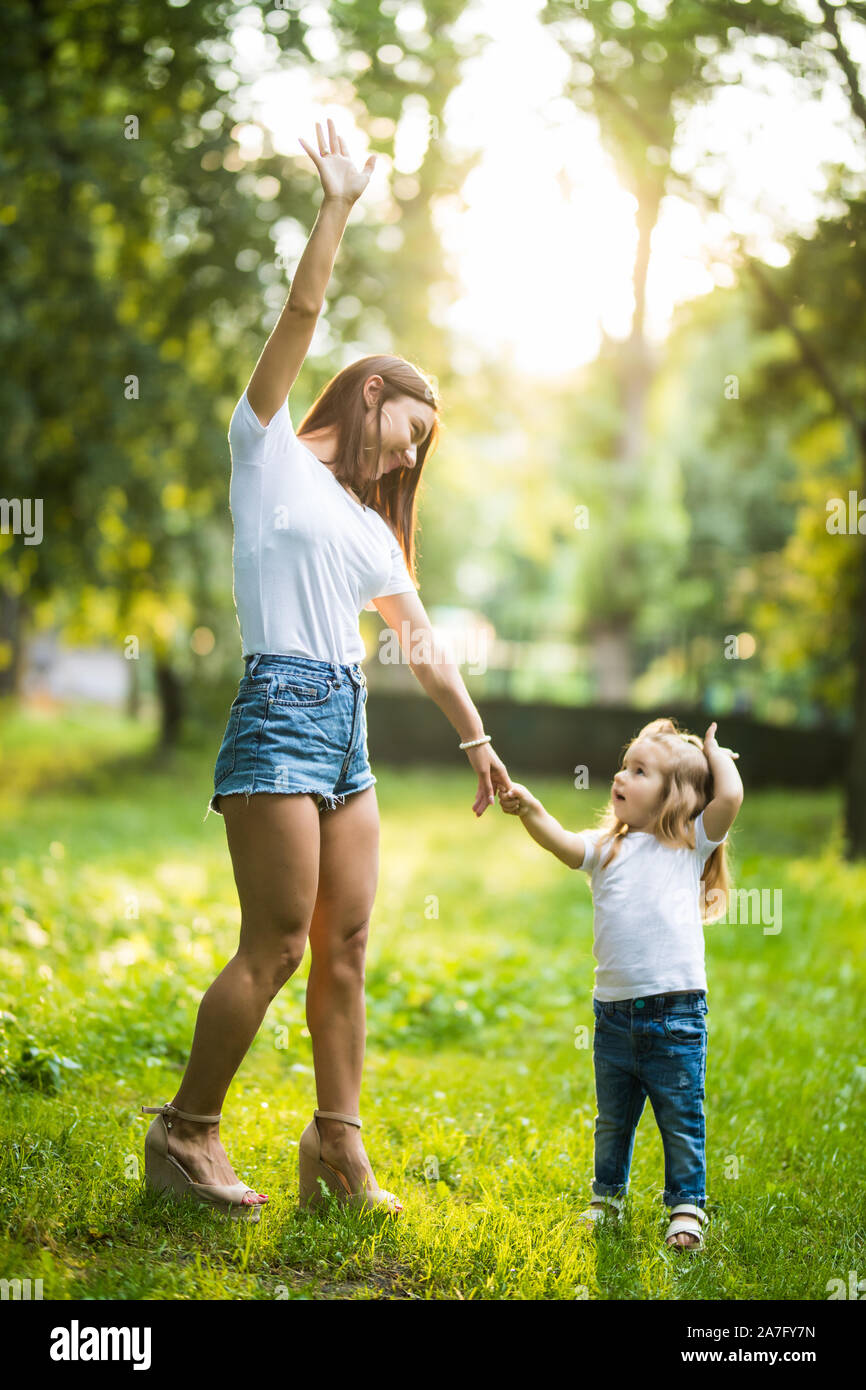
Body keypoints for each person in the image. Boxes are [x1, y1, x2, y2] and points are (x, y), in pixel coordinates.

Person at [141, 118, 511, 1221]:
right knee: (275, 946)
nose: (410, 452)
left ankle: (335, 1151)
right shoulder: (260, 452)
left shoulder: (365, 527)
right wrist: (338, 202)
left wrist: (479, 743)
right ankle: (185, 1132)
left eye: (421, 447)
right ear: (367, 391)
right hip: (278, 707)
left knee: (344, 943)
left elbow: (418, 638)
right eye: (410, 427)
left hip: (343, 724)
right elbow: (302, 312)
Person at [498, 717, 743, 1250]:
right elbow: (562, 844)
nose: (620, 776)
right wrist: (531, 808)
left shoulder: (689, 845)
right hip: (612, 1016)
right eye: (623, 766)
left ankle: (686, 1205)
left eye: (639, 770)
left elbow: (729, 797)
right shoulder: (606, 847)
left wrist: (713, 751)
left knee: (681, 1117)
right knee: (612, 1120)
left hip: (677, 1014)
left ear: (674, 795)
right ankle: (607, 1197)